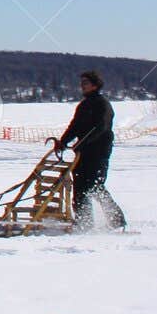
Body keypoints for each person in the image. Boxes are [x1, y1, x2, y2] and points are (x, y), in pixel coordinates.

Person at [53, 70, 126, 231]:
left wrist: (83, 143)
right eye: (82, 83)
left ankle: (117, 222)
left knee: (94, 186)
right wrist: (63, 142)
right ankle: (84, 223)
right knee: (79, 188)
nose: (82, 86)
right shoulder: (83, 105)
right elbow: (74, 127)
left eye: (85, 83)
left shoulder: (102, 104)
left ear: (95, 85)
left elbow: (101, 127)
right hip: (83, 153)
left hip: (99, 152)